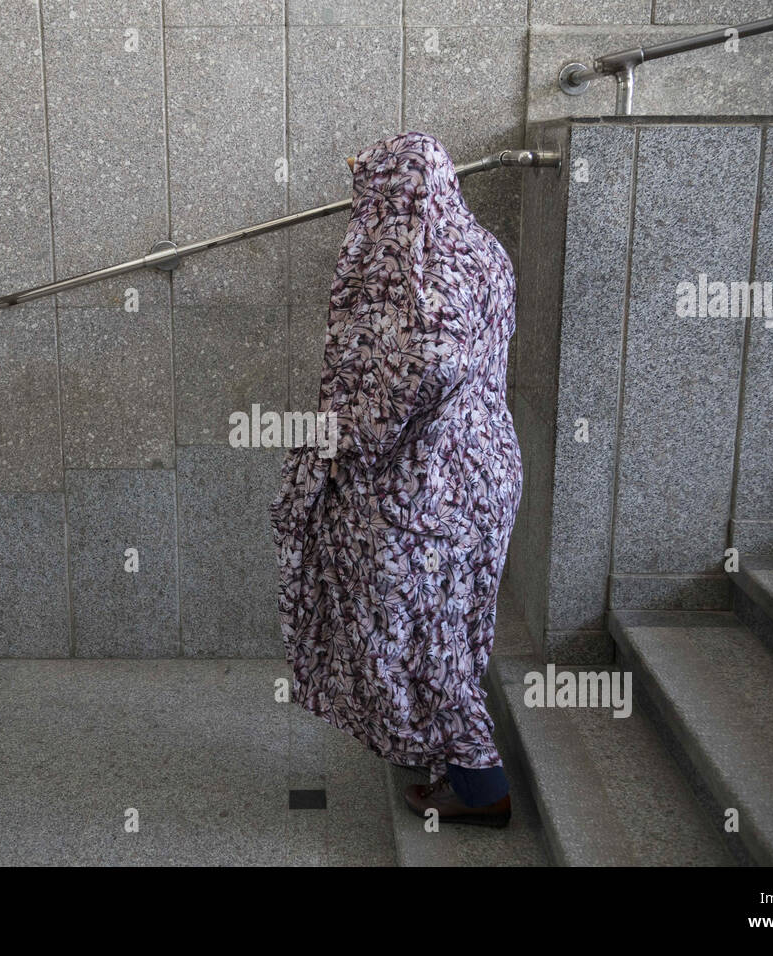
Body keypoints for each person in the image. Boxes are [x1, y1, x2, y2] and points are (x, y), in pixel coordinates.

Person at [271, 131, 522, 827]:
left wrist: (348, 440)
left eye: (369, 189)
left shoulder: (412, 271)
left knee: (421, 632)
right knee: (455, 622)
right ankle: (443, 752)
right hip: (485, 467)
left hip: (423, 487)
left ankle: (480, 784)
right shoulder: (482, 250)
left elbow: (433, 360)